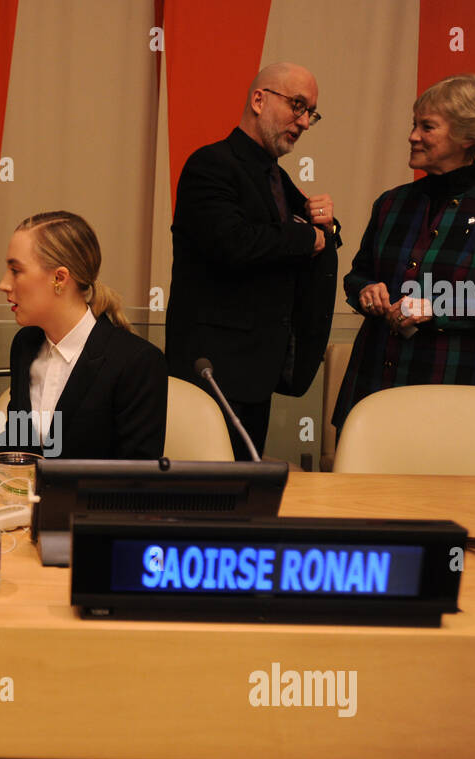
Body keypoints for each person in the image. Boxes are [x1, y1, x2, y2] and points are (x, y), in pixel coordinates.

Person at [332, 73, 475, 433]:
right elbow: (358, 274)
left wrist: (437, 307)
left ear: (467, 137)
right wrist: (365, 291)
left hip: (441, 389)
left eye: (427, 127)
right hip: (369, 382)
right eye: (414, 125)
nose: (413, 136)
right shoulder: (392, 202)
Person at [165, 61, 340, 460]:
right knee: (203, 500)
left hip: (257, 371)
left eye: (311, 112)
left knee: (243, 495)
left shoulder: (274, 175)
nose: (305, 121)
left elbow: (319, 236)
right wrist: (309, 235)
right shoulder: (211, 165)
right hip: (211, 370)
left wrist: (325, 225)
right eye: (297, 105)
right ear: (259, 100)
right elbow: (235, 243)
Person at [0, 210, 167, 462]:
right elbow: (20, 446)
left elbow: (137, 480)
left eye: (16, 270)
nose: (3, 284)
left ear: (59, 278)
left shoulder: (138, 363)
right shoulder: (26, 345)